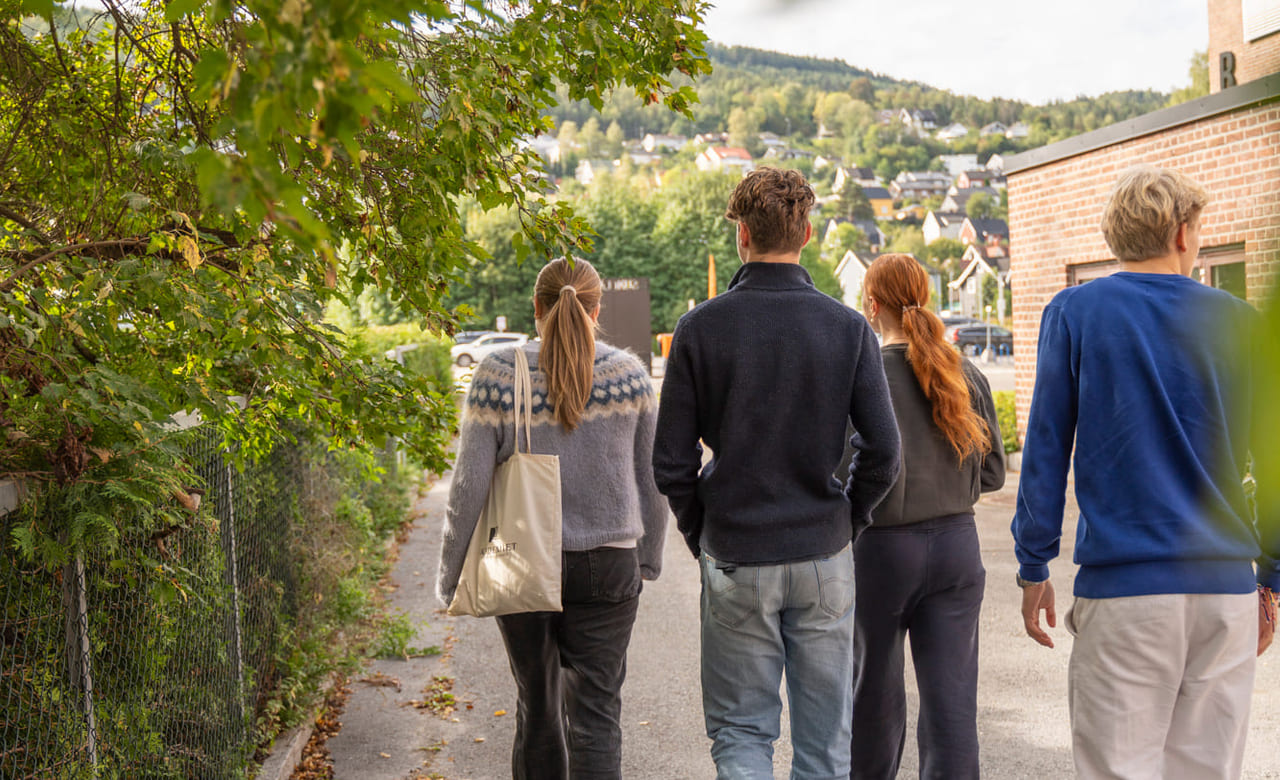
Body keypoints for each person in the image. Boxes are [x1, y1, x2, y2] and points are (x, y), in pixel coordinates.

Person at [1012, 164, 1278, 779]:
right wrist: (1272, 578)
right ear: (1183, 234)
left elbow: (1047, 447)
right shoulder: (1240, 322)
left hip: (1126, 593)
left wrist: (1034, 565)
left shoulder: (1075, 312)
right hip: (1224, 594)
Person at [652, 166, 901, 780]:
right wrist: (849, 519)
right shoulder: (848, 328)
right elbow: (886, 450)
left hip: (736, 549)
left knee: (741, 734)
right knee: (824, 748)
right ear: (808, 233)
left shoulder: (698, 329)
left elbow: (671, 463)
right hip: (822, 550)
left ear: (741, 235)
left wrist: (700, 530)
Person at [436, 257, 667, 780]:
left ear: (535, 308)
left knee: (537, 708)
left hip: (519, 561)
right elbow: (652, 479)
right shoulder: (629, 375)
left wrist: (449, 576)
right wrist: (648, 558)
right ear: (597, 308)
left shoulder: (497, 375)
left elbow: (468, 486)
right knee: (598, 716)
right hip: (609, 567)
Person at [850, 254, 1005, 780]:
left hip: (881, 550)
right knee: (953, 705)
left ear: (872, 306)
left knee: (872, 694)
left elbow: (840, 470)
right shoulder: (966, 373)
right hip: (958, 549)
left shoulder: (860, 374)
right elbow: (994, 474)